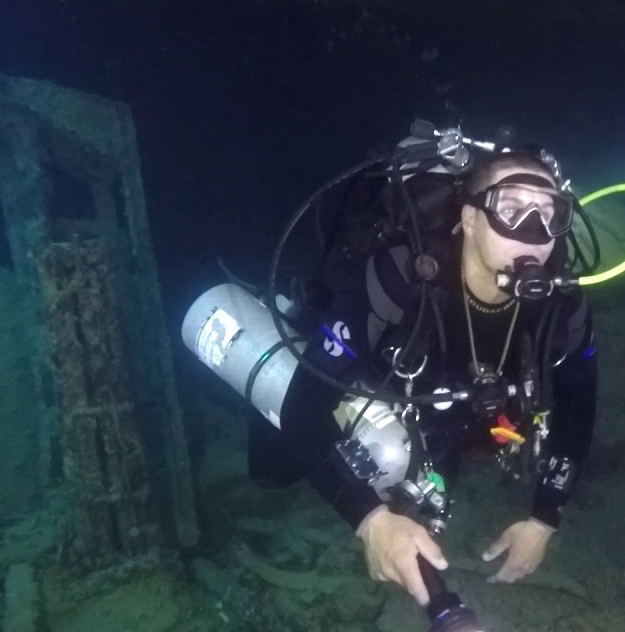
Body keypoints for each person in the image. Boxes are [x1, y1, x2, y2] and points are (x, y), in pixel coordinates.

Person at [249, 148, 598, 607]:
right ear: (469, 218)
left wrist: (544, 518)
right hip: (376, 384)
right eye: (511, 209)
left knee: (433, 491)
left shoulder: (563, 310)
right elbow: (301, 411)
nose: (533, 232)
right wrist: (369, 521)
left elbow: (579, 405)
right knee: (273, 471)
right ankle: (290, 313)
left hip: (445, 410)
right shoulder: (397, 278)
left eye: (550, 215)